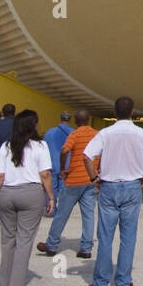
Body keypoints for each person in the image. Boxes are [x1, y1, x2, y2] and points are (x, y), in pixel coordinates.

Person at [82, 96, 143, 286]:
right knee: (128, 236)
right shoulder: (142, 133)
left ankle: (101, 283)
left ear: (114, 113)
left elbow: (87, 156)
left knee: (105, 237)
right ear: (132, 113)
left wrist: (94, 178)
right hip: (132, 187)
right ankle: (123, 281)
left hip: (109, 186)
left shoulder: (106, 133)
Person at [0, 110, 54, 286]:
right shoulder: (40, 146)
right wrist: (51, 197)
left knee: (7, 239)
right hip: (31, 193)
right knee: (24, 239)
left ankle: (4, 284)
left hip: (7, 194)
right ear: (33, 126)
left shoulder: (6, 147)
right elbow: (45, 174)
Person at [38, 109, 99, 258]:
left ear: (76, 122)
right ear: (89, 119)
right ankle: (86, 248)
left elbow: (64, 150)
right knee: (88, 215)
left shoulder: (74, 134)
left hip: (74, 179)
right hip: (90, 179)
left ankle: (52, 245)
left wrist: (63, 168)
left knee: (62, 214)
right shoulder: (97, 135)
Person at [42, 110, 73, 199]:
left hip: (51, 165)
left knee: (51, 191)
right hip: (67, 167)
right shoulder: (73, 133)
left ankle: (51, 210)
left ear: (60, 119)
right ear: (70, 120)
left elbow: (44, 148)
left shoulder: (49, 132)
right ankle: (61, 211)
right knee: (63, 193)